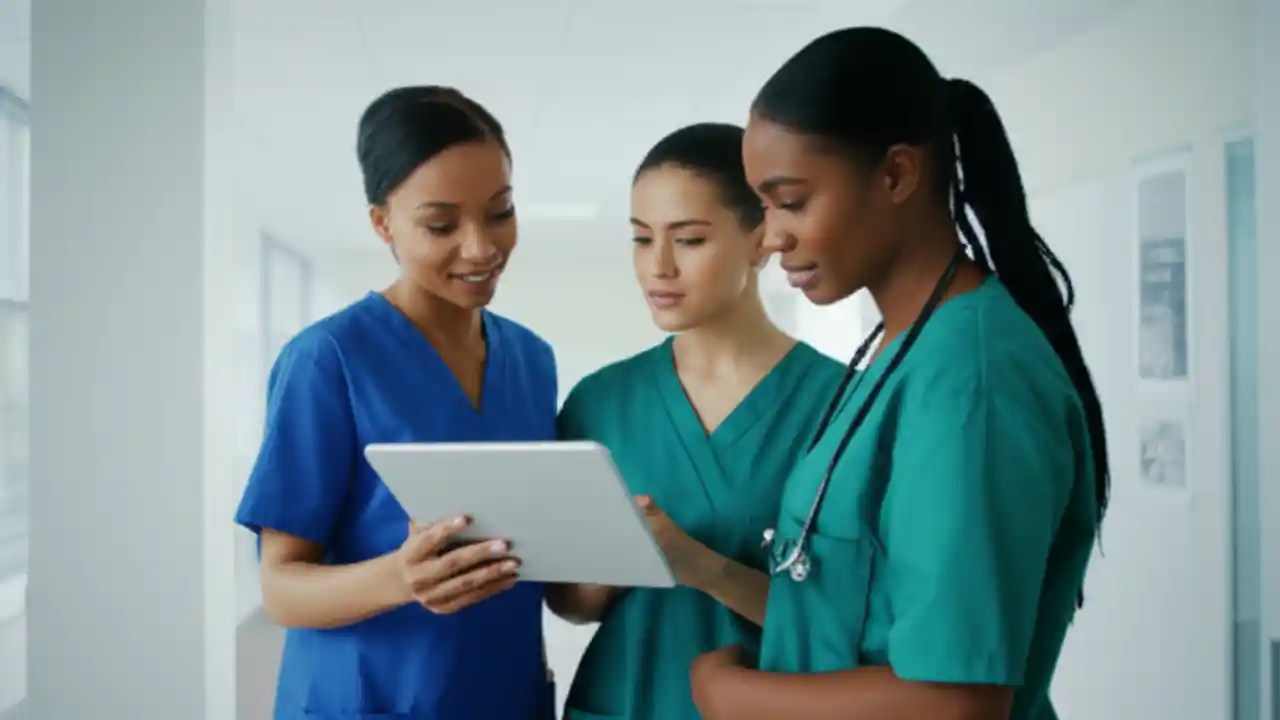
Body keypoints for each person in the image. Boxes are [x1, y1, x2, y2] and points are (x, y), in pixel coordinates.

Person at [688, 27, 1109, 720]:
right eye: (763, 207)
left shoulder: (973, 381)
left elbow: (958, 702)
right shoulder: (904, 348)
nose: (770, 236)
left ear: (896, 176)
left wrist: (732, 694)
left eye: (790, 201)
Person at [234, 86, 557, 720]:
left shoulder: (531, 360)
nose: (481, 247)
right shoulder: (328, 359)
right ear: (383, 223)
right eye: (441, 224)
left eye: (500, 212)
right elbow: (281, 588)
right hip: (369, 698)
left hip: (501, 692)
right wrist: (399, 578)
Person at [547, 123, 844, 719]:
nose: (658, 267)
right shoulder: (600, 401)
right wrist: (614, 555)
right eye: (640, 238)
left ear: (761, 237)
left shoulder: (843, 405)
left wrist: (702, 566)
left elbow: (848, 621)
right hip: (621, 700)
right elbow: (572, 603)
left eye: (688, 240)